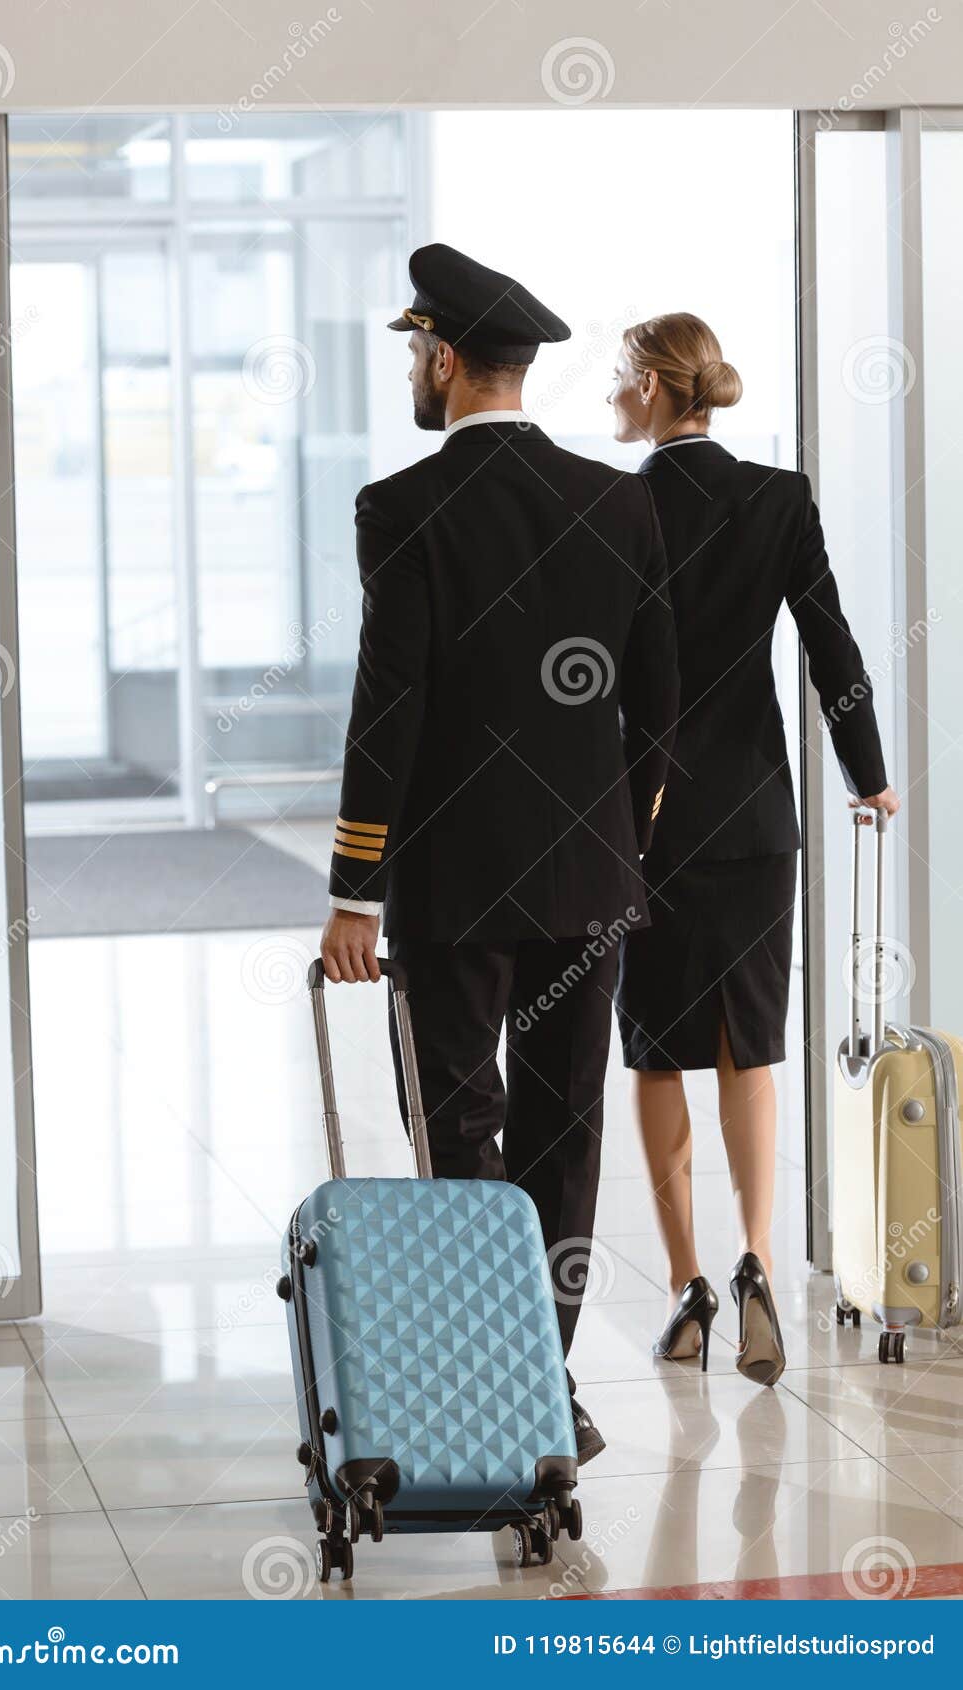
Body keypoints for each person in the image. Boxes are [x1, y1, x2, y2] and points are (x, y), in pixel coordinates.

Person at [319, 244, 680, 1462]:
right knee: (565, 1133)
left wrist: (356, 891)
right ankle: (547, 1385)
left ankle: (497, 1378)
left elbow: (389, 710)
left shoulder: (402, 509)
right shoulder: (620, 503)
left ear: (444, 359)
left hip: (449, 889)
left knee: (458, 1124)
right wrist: (616, 847)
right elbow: (659, 711)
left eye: (416, 355)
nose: (413, 373)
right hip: (590, 883)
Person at [609, 311, 900, 1387]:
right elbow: (832, 648)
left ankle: (686, 1287)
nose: (610, 395)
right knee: (750, 1045)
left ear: (652, 386)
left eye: (617, 377)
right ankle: (759, 1261)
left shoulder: (615, 505)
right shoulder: (779, 499)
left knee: (654, 1052)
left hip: (642, 824)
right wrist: (867, 774)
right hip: (755, 820)